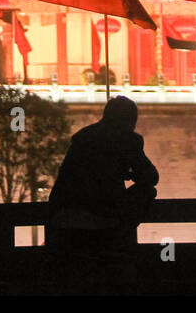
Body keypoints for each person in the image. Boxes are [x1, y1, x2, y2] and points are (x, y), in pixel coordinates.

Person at [46, 96, 158, 253]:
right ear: (130, 120)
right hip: (104, 214)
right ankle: (122, 235)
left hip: (64, 214)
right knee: (148, 192)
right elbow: (151, 177)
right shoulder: (127, 139)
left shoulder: (83, 137)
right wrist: (129, 173)